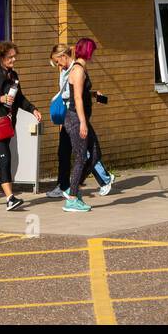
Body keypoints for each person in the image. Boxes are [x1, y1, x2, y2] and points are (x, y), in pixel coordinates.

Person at [0, 40, 42, 210]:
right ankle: (10, 198)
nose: (13, 60)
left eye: (14, 57)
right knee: (5, 156)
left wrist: (33, 110)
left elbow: (19, 99)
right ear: (1, 58)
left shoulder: (13, 76)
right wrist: (0, 99)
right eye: (10, 57)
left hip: (6, 122)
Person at [46, 45, 115, 199]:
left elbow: (74, 96)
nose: (58, 65)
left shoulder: (75, 70)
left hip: (74, 116)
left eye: (57, 61)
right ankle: (69, 189)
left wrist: (83, 120)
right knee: (73, 152)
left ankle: (94, 183)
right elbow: (75, 93)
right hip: (71, 116)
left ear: (64, 56)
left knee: (84, 153)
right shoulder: (68, 70)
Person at [60, 37, 105, 213]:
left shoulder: (80, 69)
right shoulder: (78, 70)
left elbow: (81, 93)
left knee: (95, 154)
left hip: (80, 118)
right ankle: (72, 198)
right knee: (81, 157)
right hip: (76, 119)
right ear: (88, 51)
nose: (93, 53)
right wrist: (83, 123)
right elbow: (76, 98)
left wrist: (94, 94)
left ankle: (74, 189)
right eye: (92, 50)